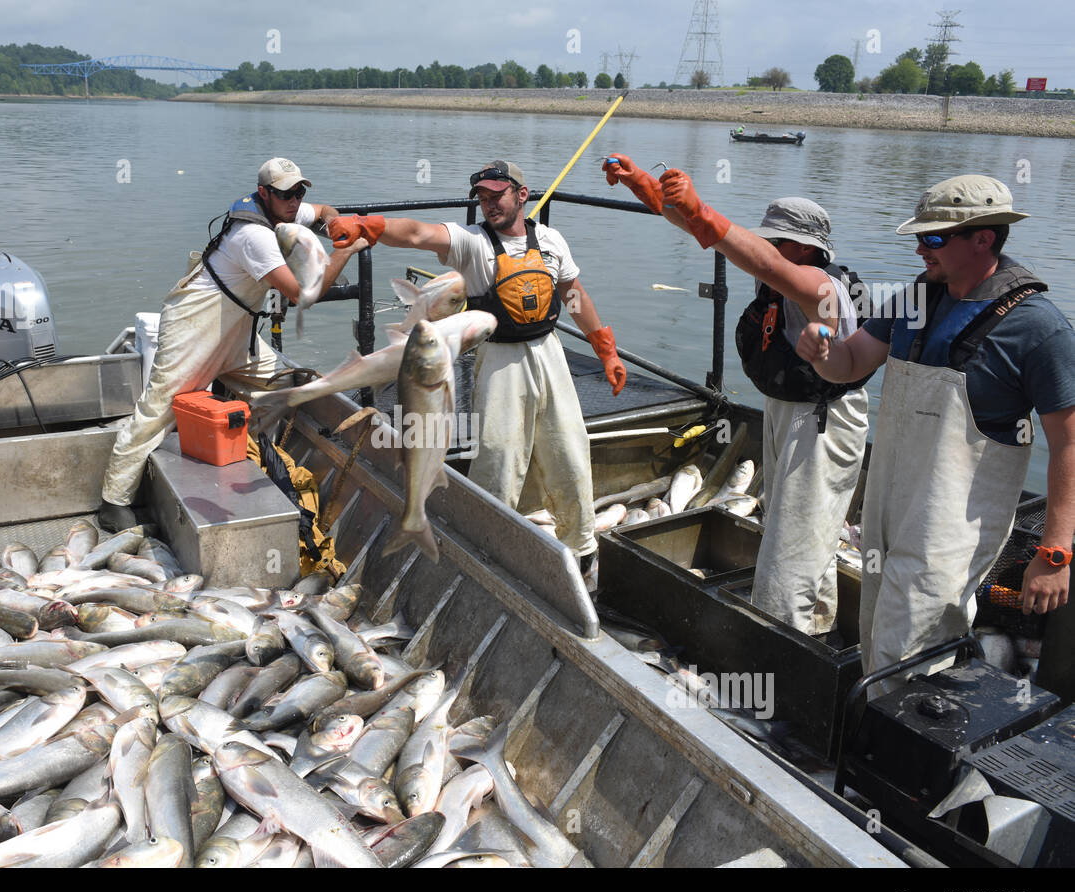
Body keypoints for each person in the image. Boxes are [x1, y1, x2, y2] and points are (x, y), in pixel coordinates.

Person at [793, 174, 1075, 695]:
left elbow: (1069, 443)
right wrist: (823, 352)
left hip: (950, 528)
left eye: (935, 239)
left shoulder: (1039, 328)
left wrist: (1054, 552)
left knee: (913, 646)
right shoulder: (915, 298)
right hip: (887, 509)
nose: (921, 248)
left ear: (984, 239)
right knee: (878, 630)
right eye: (920, 237)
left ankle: (908, 760)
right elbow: (852, 361)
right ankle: (872, 742)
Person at [601, 156, 869, 635]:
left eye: (776, 241)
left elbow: (751, 253)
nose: (764, 249)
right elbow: (709, 235)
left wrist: (704, 210)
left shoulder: (819, 286)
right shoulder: (780, 277)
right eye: (765, 239)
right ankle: (819, 624)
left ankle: (779, 639)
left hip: (823, 422)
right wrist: (642, 184)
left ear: (805, 249)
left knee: (795, 536)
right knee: (802, 526)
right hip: (787, 411)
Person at [325, 160, 626, 573]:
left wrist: (605, 350)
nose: (489, 204)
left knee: (569, 449)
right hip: (501, 360)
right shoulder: (471, 243)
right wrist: (367, 226)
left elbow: (573, 294)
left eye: (496, 195)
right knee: (500, 456)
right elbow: (417, 233)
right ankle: (491, 550)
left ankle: (581, 547)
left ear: (522, 194)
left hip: (550, 353)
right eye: (482, 198)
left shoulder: (552, 240)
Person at [97, 157, 364, 532]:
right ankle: (114, 500)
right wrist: (343, 252)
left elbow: (322, 211)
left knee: (282, 384)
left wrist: (335, 223)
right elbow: (304, 294)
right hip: (194, 324)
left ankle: (244, 448)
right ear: (264, 194)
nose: (294, 200)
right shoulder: (253, 236)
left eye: (299, 191)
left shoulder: (283, 210)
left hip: (237, 329)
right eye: (286, 193)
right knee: (159, 409)